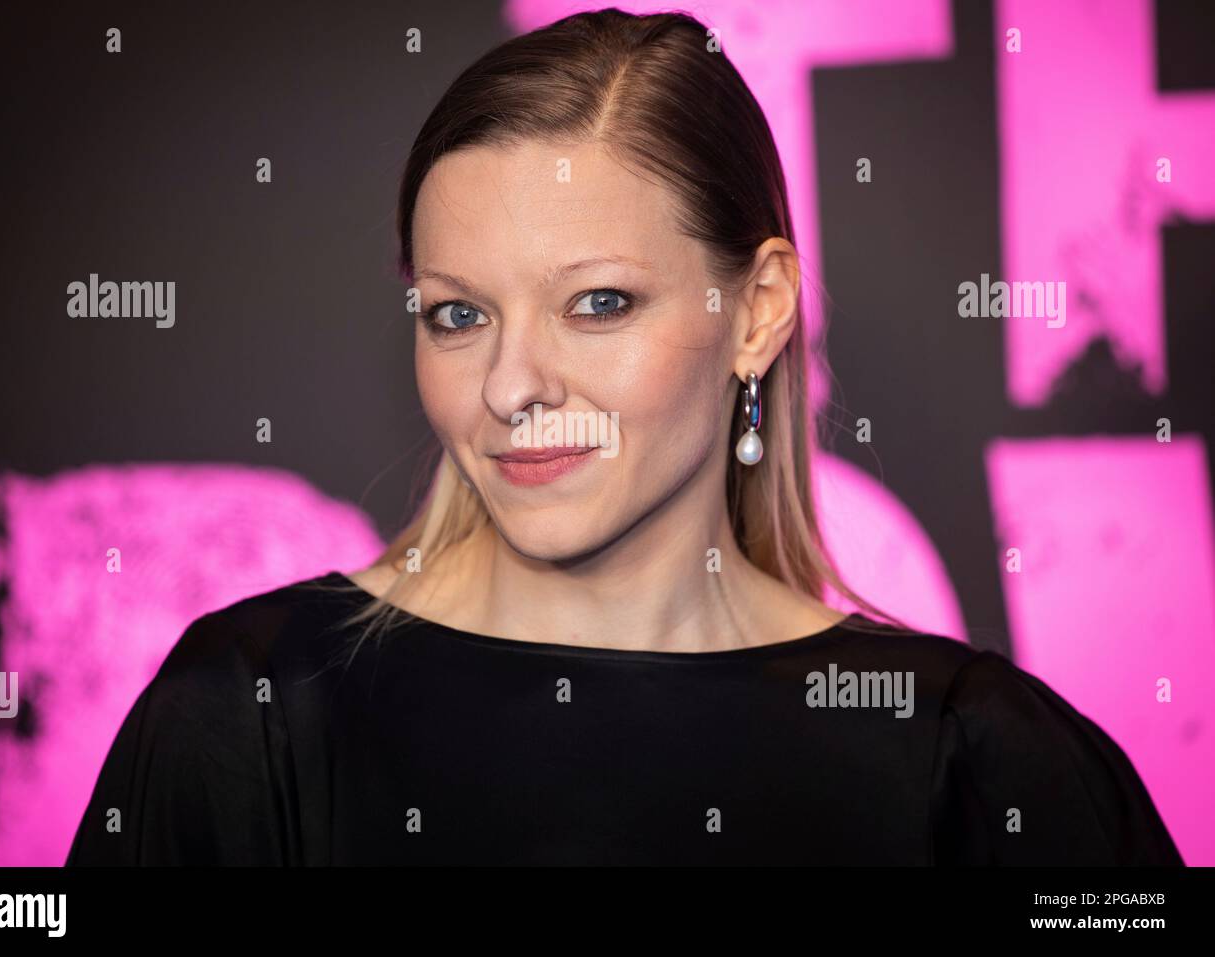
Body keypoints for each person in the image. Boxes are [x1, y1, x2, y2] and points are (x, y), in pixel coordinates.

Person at [66, 8, 1183, 866]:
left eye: (597, 303)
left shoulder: (983, 762)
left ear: (756, 311)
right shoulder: (249, 715)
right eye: (458, 314)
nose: (510, 385)